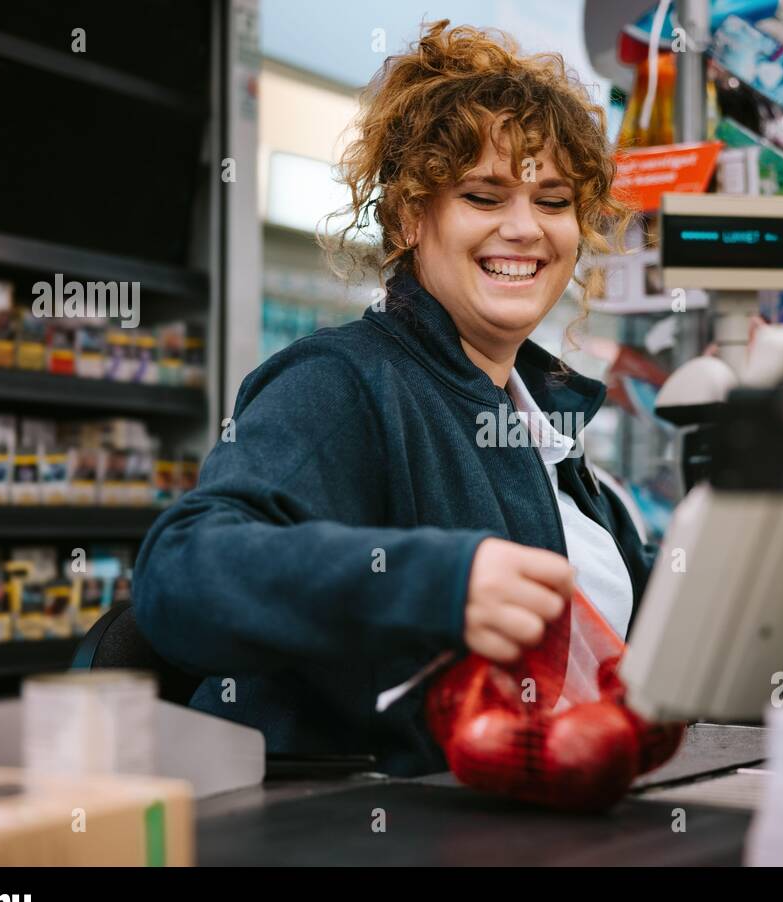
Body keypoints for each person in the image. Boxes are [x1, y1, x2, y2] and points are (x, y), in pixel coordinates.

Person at [134, 20, 655, 776]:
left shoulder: (548, 430)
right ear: (413, 216)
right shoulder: (344, 383)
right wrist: (436, 581)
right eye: (483, 194)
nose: (524, 228)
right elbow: (181, 572)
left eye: (553, 200)